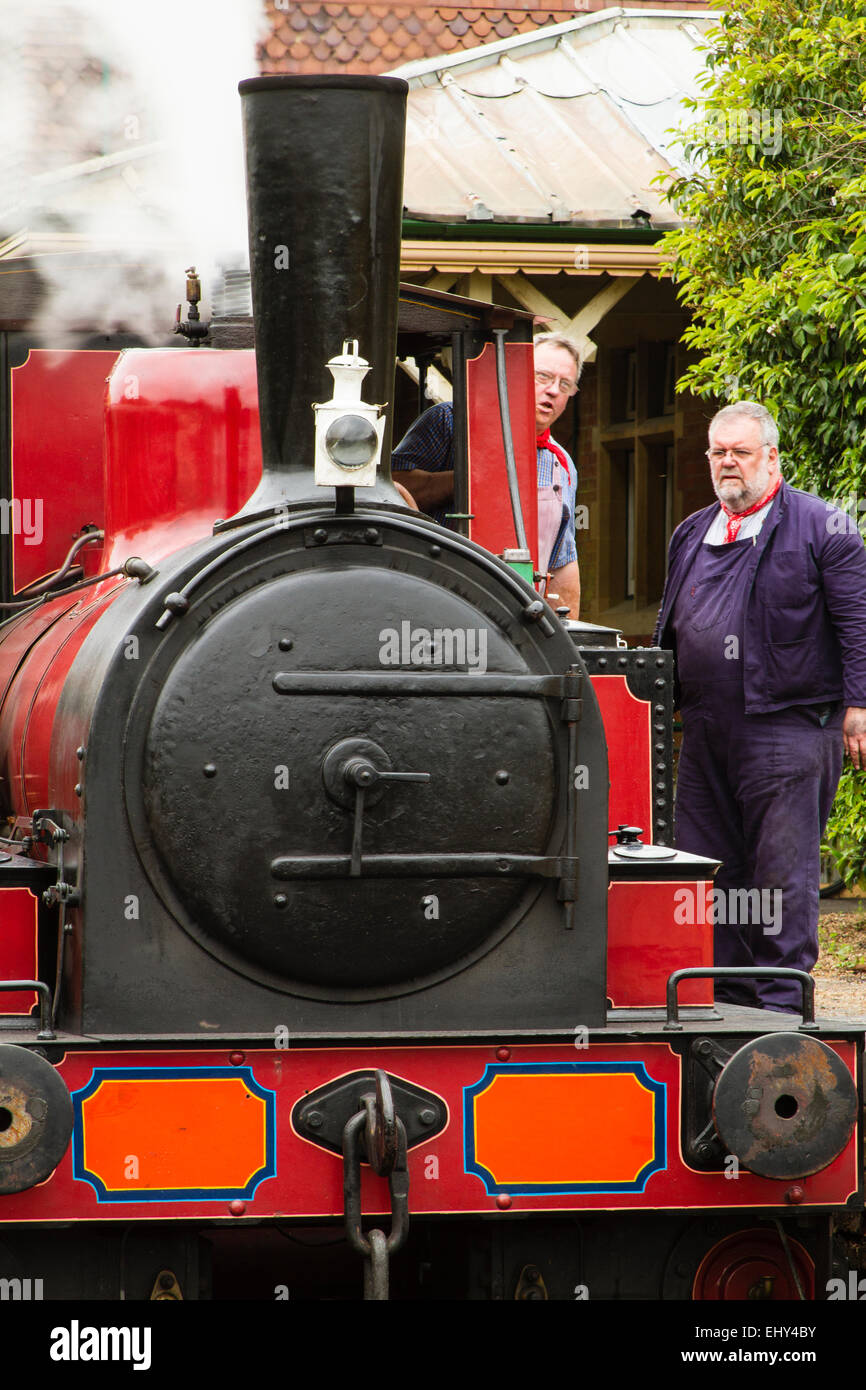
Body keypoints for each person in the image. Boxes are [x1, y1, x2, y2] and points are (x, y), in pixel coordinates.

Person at [653, 401, 866, 1013]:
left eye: (740, 452)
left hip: (790, 729)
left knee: (781, 872)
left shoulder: (824, 526)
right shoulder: (691, 531)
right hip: (704, 730)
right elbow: (672, 627)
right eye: (718, 452)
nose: (727, 464)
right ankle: (723, 995)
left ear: (771, 457)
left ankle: (778, 1009)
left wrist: (859, 706)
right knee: (708, 868)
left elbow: (857, 622)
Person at [392, 333, 582, 615]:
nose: (553, 390)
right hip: (437, 606)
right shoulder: (449, 421)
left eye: (564, 384)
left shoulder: (561, 463)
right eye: (543, 377)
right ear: (513, 374)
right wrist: (474, 479)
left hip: (521, 618)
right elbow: (393, 489)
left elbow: (563, 562)